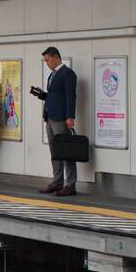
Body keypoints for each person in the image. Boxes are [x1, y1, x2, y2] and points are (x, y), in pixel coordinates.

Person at [38, 47, 78, 196]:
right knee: (55, 151)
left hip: (61, 118)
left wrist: (70, 116)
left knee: (66, 151)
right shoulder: (52, 75)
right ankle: (57, 181)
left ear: (56, 57)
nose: (47, 63)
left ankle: (70, 184)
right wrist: (44, 95)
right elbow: (56, 95)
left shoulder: (68, 74)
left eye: (48, 60)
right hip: (50, 116)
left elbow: (70, 96)